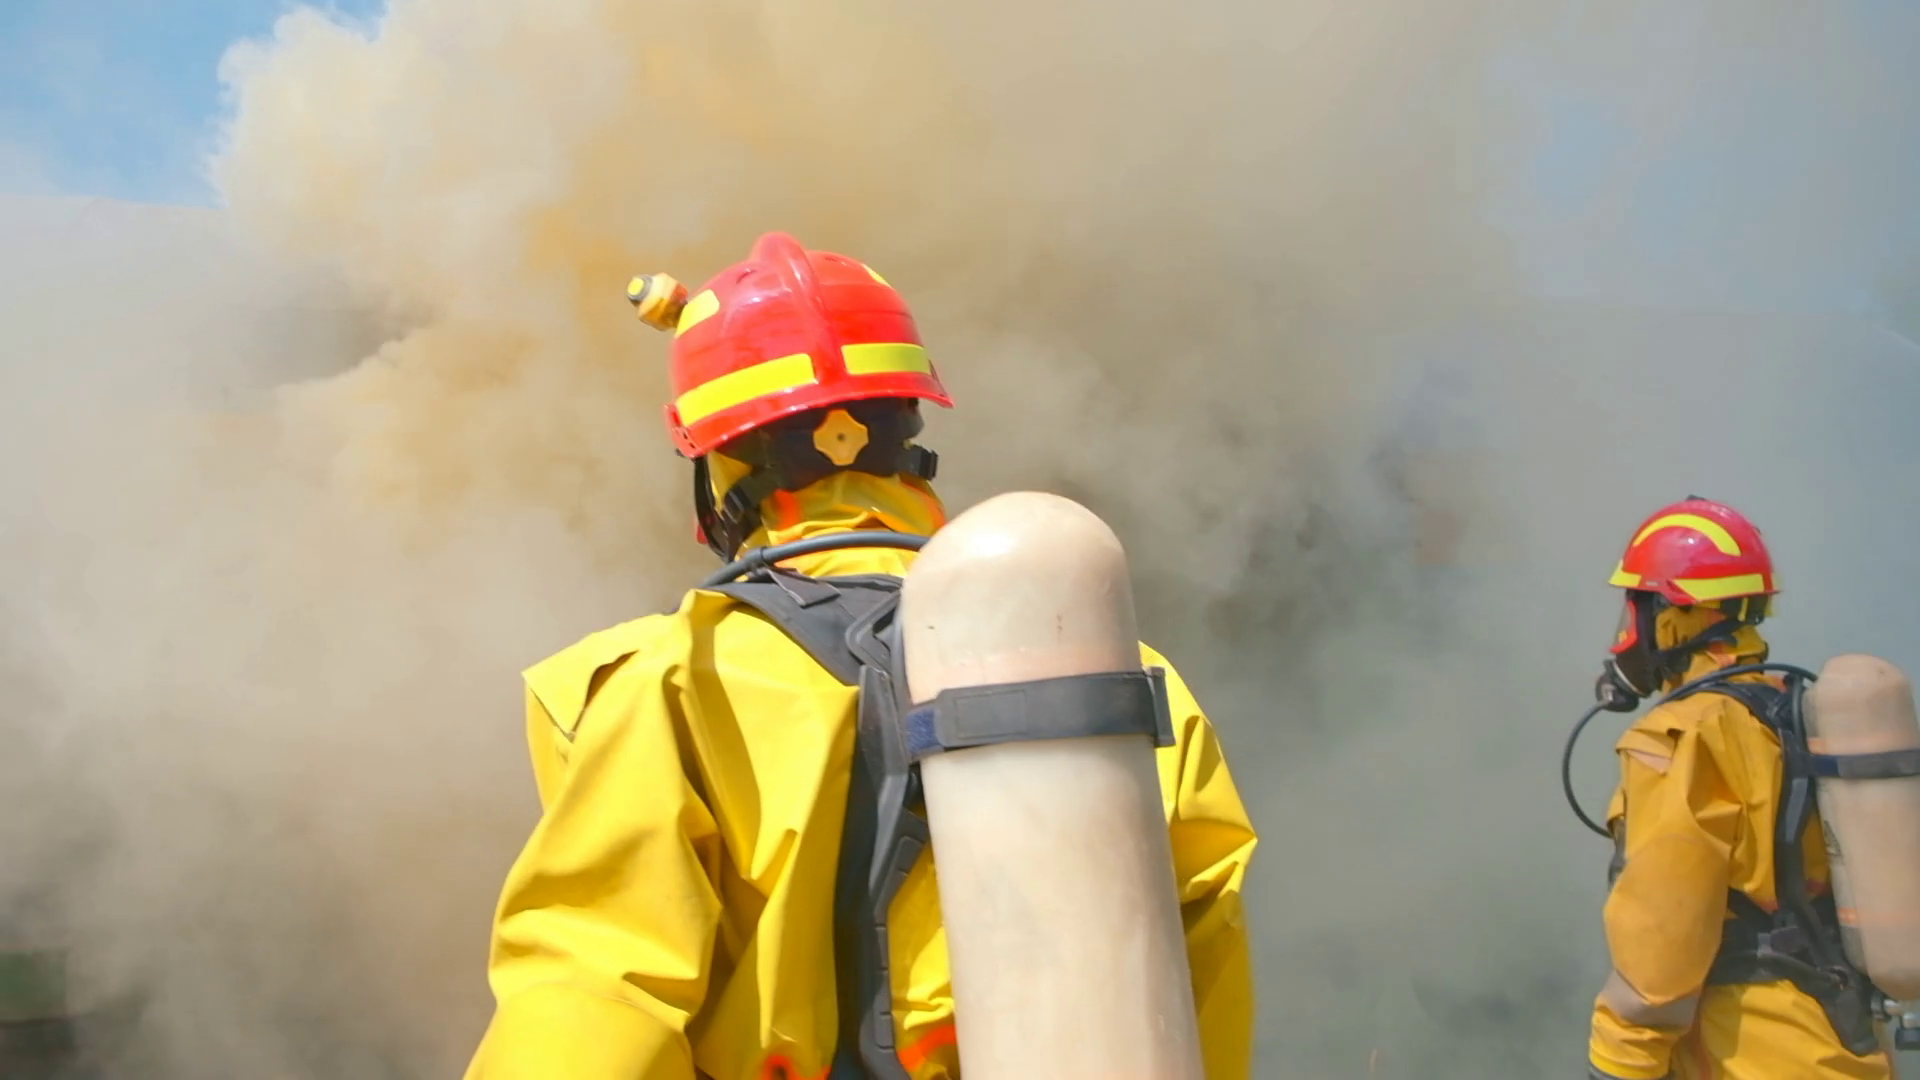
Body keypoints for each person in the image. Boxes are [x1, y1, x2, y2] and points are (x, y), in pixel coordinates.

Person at [462, 232, 1258, 1080]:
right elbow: (1200, 959)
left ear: (721, 464)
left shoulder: (670, 680)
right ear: (907, 431)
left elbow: (595, 988)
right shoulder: (1114, 672)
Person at [1585, 496, 1894, 1080]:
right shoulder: (1790, 710)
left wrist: (1619, 1060)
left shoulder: (1682, 737)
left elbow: (1662, 941)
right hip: (1837, 1040)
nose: (1631, 628)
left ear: (1676, 615)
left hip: (1751, 1054)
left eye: (1639, 605)